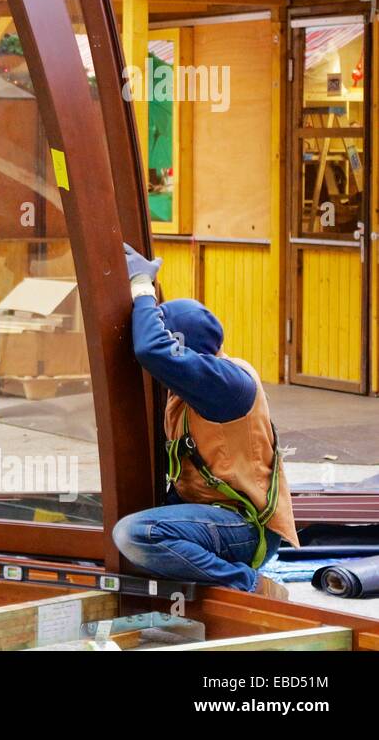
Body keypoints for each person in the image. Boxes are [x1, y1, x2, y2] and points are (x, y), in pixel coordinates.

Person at [113, 244, 297, 599]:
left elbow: (152, 350)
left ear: (183, 350)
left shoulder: (228, 383)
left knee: (136, 534)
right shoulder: (187, 389)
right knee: (123, 530)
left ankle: (250, 586)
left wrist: (141, 285)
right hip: (208, 517)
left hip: (244, 528)